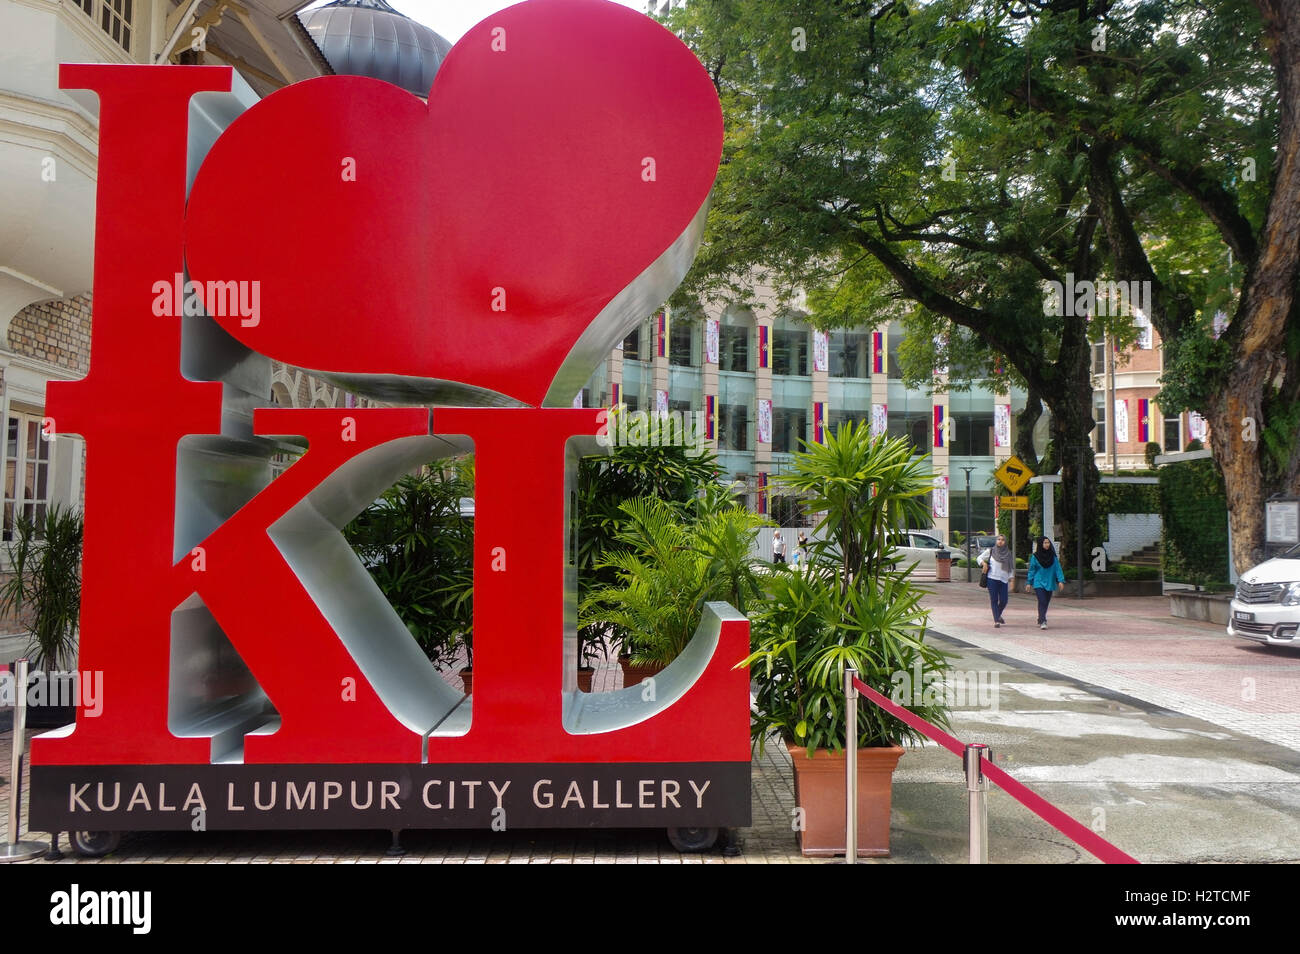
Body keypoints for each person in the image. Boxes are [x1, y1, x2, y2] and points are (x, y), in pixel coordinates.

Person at [1026, 536, 1066, 629]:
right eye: (1044, 543)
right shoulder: (1035, 557)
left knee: (1046, 602)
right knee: (1042, 600)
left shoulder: (1053, 556)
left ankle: (1040, 617)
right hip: (1038, 582)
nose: (1047, 544)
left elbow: (1058, 569)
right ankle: (1043, 620)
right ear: (1040, 544)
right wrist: (1029, 582)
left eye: (1048, 542)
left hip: (1050, 582)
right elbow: (1031, 570)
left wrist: (1060, 580)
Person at [977, 534, 1014, 627]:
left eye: (1002, 540)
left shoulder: (1008, 554)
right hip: (992, 579)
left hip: (1003, 580)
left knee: (1004, 601)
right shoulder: (991, 551)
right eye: (998, 539)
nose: (1000, 541)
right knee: (994, 600)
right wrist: (983, 563)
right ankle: (996, 620)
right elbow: (979, 558)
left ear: (1005, 542)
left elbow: (1010, 568)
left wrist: (1012, 580)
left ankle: (998, 614)